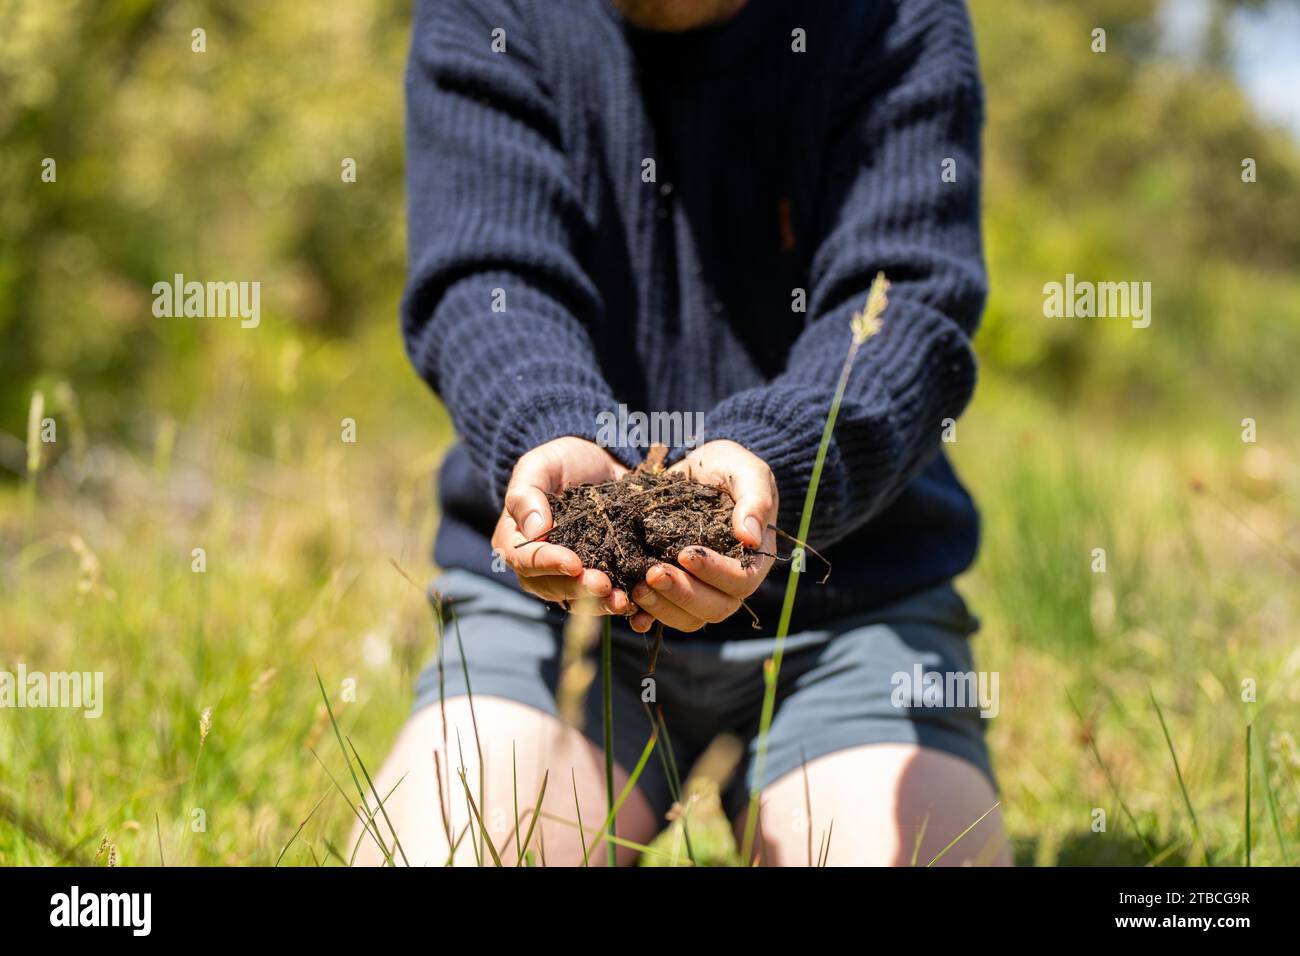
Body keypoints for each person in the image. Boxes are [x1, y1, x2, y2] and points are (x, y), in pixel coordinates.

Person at [359, 0, 1011, 866]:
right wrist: (556, 442)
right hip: (559, 611)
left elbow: (905, 305)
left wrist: (773, 461)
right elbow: (489, 278)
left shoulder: (894, 19)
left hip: (851, 604)